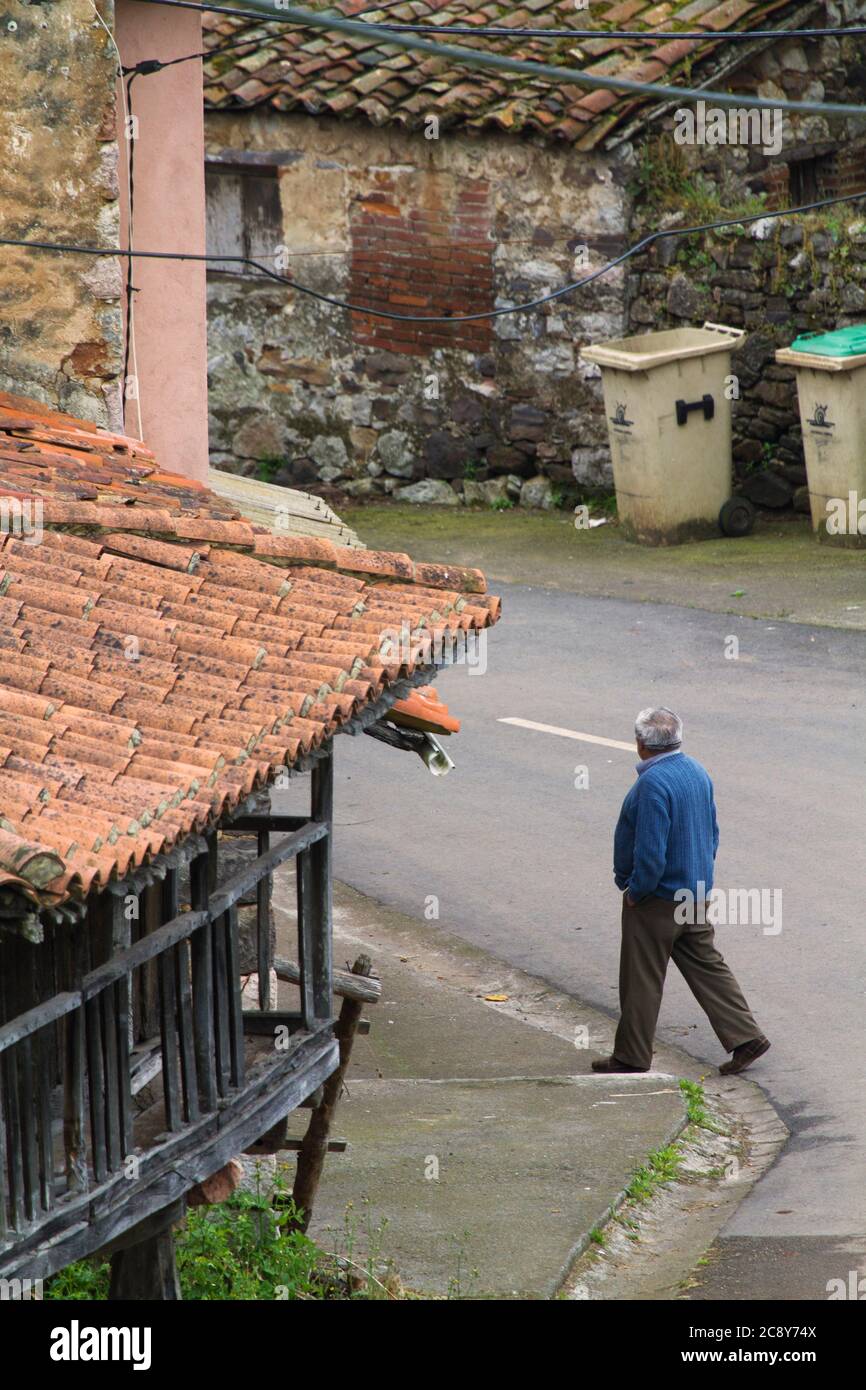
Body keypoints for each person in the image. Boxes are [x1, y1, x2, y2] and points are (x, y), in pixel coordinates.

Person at [592, 706, 770, 1076]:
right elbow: (712, 834)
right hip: (695, 894)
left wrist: (636, 891)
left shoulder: (652, 784)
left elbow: (651, 853)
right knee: (707, 966)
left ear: (641, 744)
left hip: (658, 899)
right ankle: (746, 1037)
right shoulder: (696, 772)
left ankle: (631, 1057)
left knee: (641, 979)